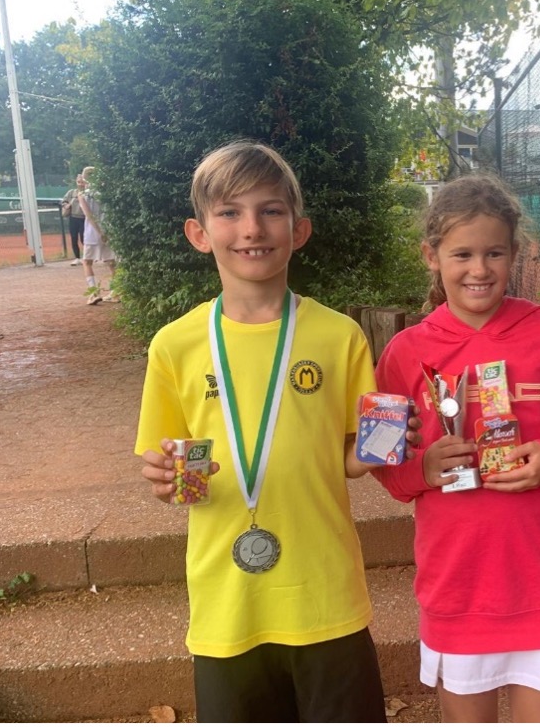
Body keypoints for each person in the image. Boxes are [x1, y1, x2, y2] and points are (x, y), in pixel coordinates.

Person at [134, 140, 395, 722]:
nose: (251, 227)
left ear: (299, 230)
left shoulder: (339, 336)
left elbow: (353, 456)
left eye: (270, 210)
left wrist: (385, 445)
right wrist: (168, 479)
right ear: (199, 232)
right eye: (229, 212)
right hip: (227, 605)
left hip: (325, 593)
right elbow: (175, 468)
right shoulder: (174, 346)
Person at [372, 172, 540, 723]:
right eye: (462, 253)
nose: (479, 269)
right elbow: (386, 469)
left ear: (516, 253)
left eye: (494, 252)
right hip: (457, 589)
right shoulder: (403, 352)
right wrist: (424, 469)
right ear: (431, 256)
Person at [76, 167, 117, 304]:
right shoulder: (104, 193)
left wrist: (99, 232)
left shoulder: (83, 195)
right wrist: (106, 232)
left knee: (87, 262)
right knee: (111, 262)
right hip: (109, 230)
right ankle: (116, 292)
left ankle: (93, 293)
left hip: (92, 233)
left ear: (84, 178)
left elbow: (89, 215)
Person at [60, 174, 87, 265]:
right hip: (73, 218)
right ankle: (77, 258)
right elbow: (63, 201)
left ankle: (87, 256)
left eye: (82, 182)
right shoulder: (71, 192)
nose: (80, 184)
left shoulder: (88, 192)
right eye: (79, 182)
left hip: (84, 218)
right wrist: (66, 205)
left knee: (84, 238)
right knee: (74, 238)